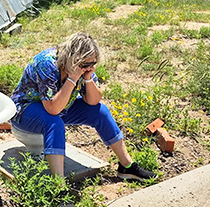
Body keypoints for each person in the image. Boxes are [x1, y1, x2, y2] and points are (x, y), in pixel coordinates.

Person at [10, 32, 156, 182]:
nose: (89, 68)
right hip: (26, 110)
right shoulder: (46, 63)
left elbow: (93, 101)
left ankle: (126, 166)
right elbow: (52, 109)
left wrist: (87, 79)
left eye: (93, 64)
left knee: (100, 111)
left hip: (59, 106)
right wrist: (72, 79)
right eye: (85, 65)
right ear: (72, 59)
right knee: (53, 122)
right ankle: (58, 186)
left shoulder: (84, 67)